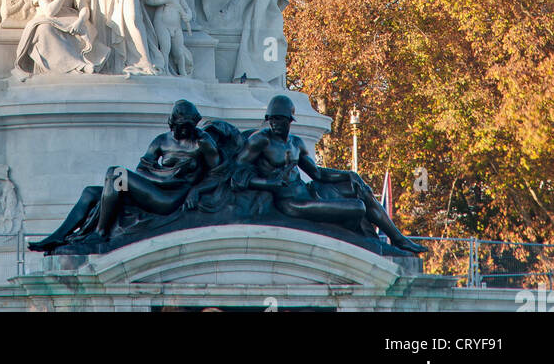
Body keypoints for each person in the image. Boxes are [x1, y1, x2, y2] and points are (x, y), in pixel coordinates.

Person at [233, 95, 423, 253]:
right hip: (291, 203)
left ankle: (399, 239)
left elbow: (317, 174)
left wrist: (348, 175)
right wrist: (270, 183)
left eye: (279, 119)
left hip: (307, 192)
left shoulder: (296, 143)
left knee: (361, 190)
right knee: (357, 207)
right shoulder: (260, 141)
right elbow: (236, 175)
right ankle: (367, 244)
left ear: (290, 120)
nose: (274, 124)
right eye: (271, 119)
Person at [30, 100, 219, 252]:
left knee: (116, 174)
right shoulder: (162, 141)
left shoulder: (202, 143)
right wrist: (164, 177)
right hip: (155, 188)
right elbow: (142, 170)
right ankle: (58, 235)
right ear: (172, 123)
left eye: (188, 126)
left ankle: (101, 233)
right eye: (180, 126)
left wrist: (196, 190)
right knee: (91, 192)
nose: (184, 131)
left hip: (171, 198)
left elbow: (218, 174)